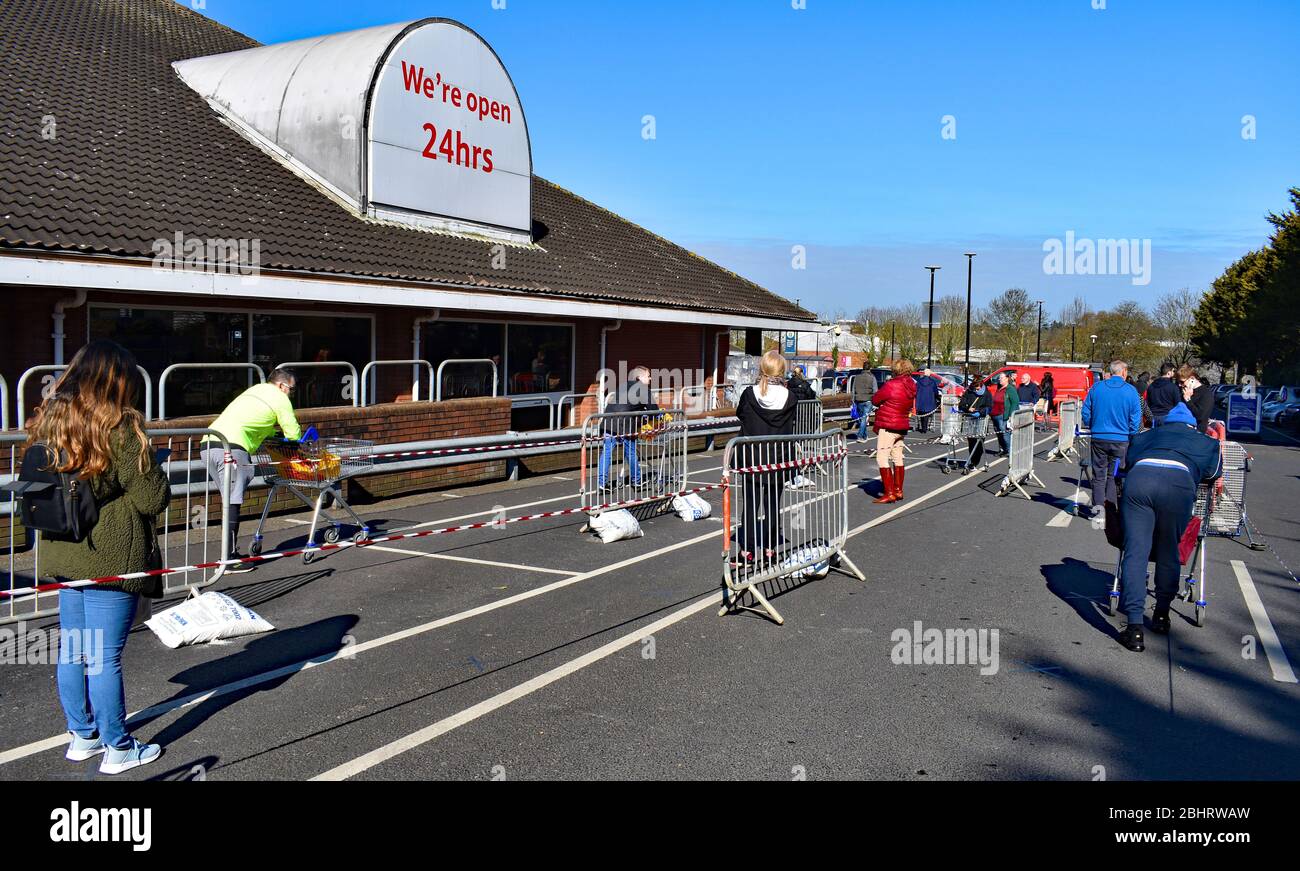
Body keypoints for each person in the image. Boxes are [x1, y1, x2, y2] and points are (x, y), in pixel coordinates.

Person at [27, 340, 169, 774]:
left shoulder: (50, 420)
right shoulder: (120, 426)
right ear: (116, 379)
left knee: (73, 648)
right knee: (104, 656)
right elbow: (151, 499)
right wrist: (152, 465)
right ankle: (119, 747)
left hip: (64, 550)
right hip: (109, 555)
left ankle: (82, 735)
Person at [1114, 402, 1223, 652]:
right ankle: (1162, 614)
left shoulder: (1146, 436)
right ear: (1192, 425)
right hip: (1179, 486)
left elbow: (1128, 462)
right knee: (1168, 550)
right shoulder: (1205, 442)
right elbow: (1212, 474)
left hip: (1140, 482)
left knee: (1136, 551)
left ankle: (1134, 628)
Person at [201, 368, 303, 571]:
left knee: (228, 501)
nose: (290, 393)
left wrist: (271, 433)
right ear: (282, 386)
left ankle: (228, 554)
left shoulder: (255, 391)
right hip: (231, 448)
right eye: (291, 389)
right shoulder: (279, 397)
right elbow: (293, 432)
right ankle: (228, 559)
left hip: (208, 445)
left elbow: (253, 422)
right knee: (233, 501)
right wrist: (295, 443)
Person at [734, 350, 798, 561]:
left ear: (762, 369)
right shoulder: (790, 397)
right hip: (778, 457)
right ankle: (770, 548)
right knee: (773, 504)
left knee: (750, 504)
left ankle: (747, 550)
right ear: (782, 371)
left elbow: (740, 414)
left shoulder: (749, 394)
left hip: (752, 455)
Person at [1080, 360, 1142, 518]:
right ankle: (1112, 510)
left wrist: (1091, 424)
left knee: (1098, 475)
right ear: (1124, 372)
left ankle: (1098, 511)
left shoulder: (1097, 388)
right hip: (1121, 439)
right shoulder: (1130, 391)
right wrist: (1132, 433)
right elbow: (1136, 416)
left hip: (1099, 436)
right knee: (1114, 476)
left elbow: (1086, 410)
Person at [599, 365, 658, 490]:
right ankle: (636, 481)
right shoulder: (642, 388)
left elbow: (628, 404)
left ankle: (602, 484)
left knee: (607, 453)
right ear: (639, 377)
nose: (650, 378)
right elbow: (654, 410)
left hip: (608, 421)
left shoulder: (624, 385)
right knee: (630, 453)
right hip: (625, 425)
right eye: (648, 376)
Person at [870, 359, 917, 503]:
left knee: (882, 458)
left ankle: (889, 493)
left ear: (895, 370)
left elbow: (875, 399)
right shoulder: (912, 385)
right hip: (901, 424)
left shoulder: (891, 385)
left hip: (889, 425)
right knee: (897, 457)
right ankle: (898, 490)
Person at [957, 373, 992, 471]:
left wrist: (979, 411)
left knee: (980, 443)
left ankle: (975, 461)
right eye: (975, 388)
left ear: (981, 385)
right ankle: (972, 462)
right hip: (970, 420)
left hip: (981, 420)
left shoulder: (987, 394)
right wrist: (968, 408)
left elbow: (989, 407)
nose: (976, 390)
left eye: (978, 388)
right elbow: (961, 405)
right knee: (971, 442)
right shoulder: (969, 392)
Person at [1177, 364, 1214, 433]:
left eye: (1182, 382)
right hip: (1181, 430)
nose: (1179, 384)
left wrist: (1188, 400)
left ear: (1192, 379)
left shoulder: (1206, 394)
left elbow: (1200, 416)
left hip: (1196, 433)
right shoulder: (1183, 391)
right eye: (1178, 382)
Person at [990, 372, 1020, 455]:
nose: (999, 379)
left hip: (1003, 415)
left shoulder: (1010, 389)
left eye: (1001, 378)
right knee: (999, 434)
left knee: (1004, 433)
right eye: (999, 378)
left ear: (1007, 378)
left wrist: (1011, 415)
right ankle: (1003, 450)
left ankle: (1010, 451)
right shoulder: (999, 388)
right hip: (994, 414)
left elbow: (1015, 402)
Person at [851, 367, 877, 441]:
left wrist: (853, 400)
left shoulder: (857, 377)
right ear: (869, 368)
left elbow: (853, 389)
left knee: (862, 418)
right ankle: (860, 436)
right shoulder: (872, 377)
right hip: (868, 400)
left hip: (859, 400)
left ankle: (864, 436)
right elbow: (875, 390)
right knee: (864, 418)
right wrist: (875, 402)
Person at [913, 368, 942, 433]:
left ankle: (923, 427)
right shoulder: (932, 382)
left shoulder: (919, 382)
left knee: (922, 414)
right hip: (929, 401)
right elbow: (936, 392)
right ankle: (924, 428)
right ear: (929, 374)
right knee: (926, 415)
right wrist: (937, 398)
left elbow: (915, 391)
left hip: (920, 401)